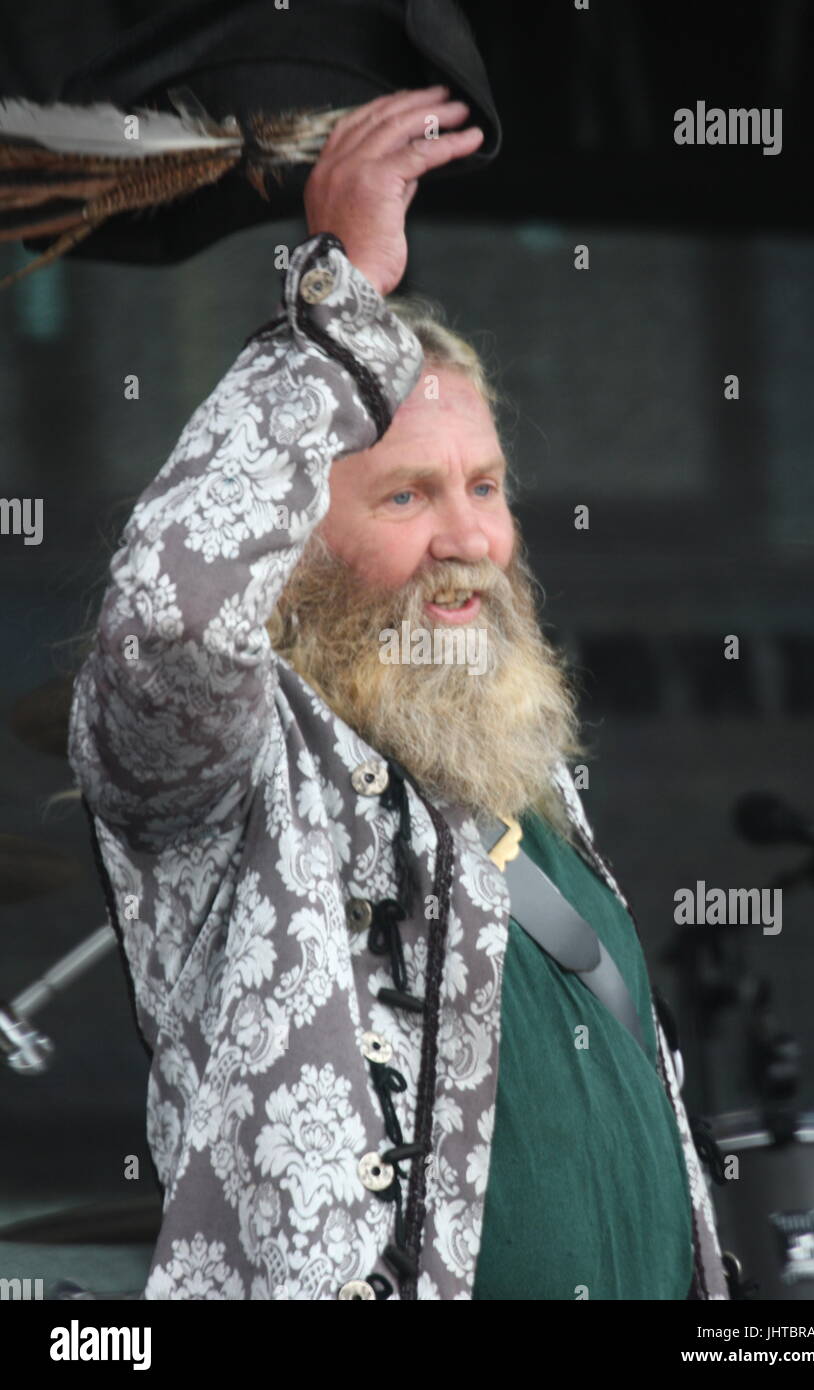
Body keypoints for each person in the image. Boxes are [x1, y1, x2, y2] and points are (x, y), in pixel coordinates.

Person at [68, 85, 729, 1300]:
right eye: (404, 496)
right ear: (290, 549)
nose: (467, 537)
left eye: (484, 485)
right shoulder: (240, 779)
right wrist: (336, 311)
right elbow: (171, 621)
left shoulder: (525, 791)